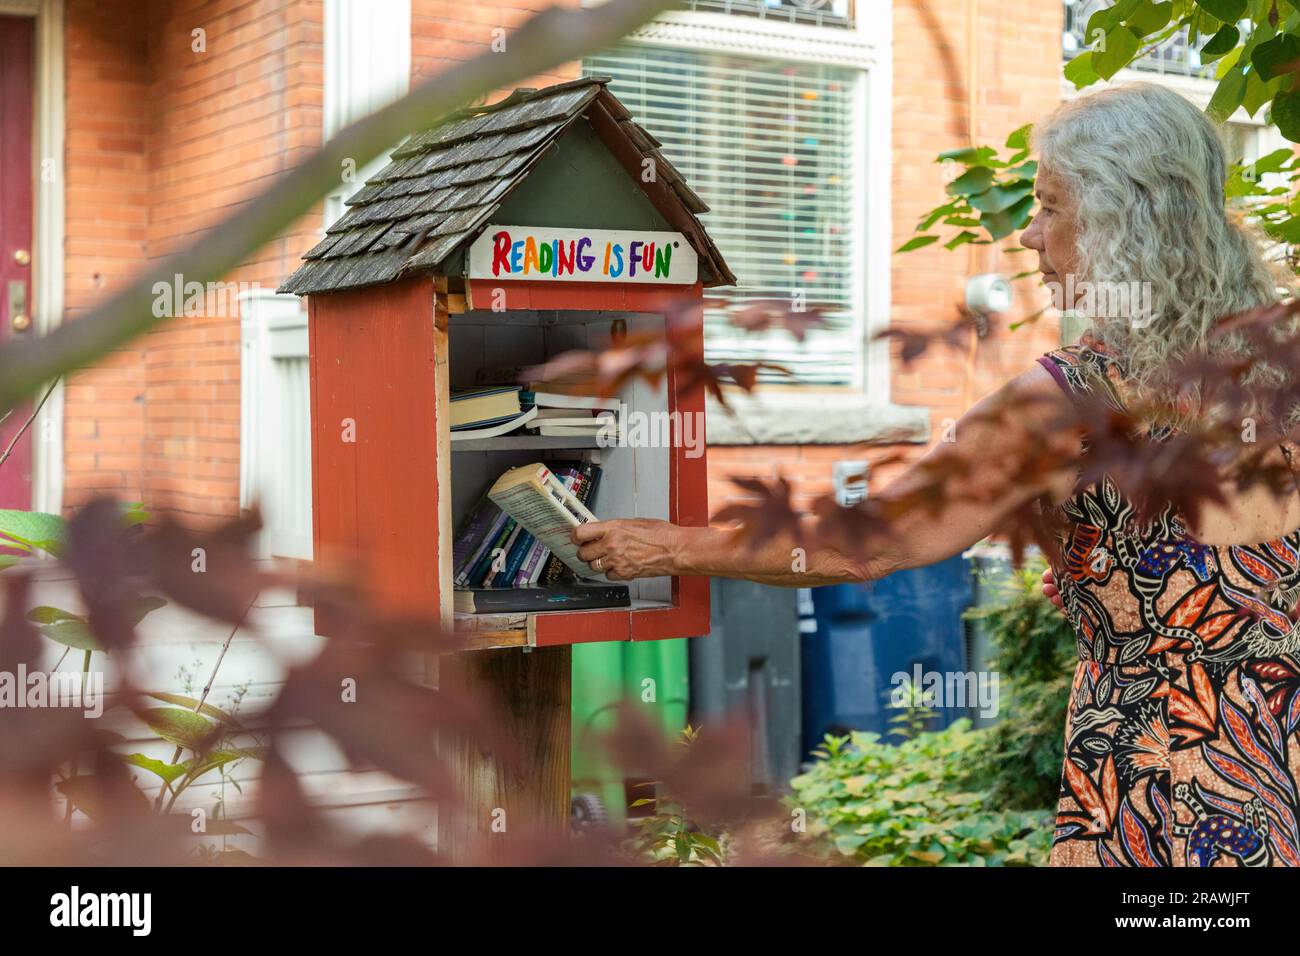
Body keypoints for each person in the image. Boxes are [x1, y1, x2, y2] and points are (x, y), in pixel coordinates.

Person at [570, 83, 1300, 867]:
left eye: (1051, 208)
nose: (1027, 236)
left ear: (1124, 223)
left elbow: (866, 547)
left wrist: (671, 545)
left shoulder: (1068, 405)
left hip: (1162, 797)